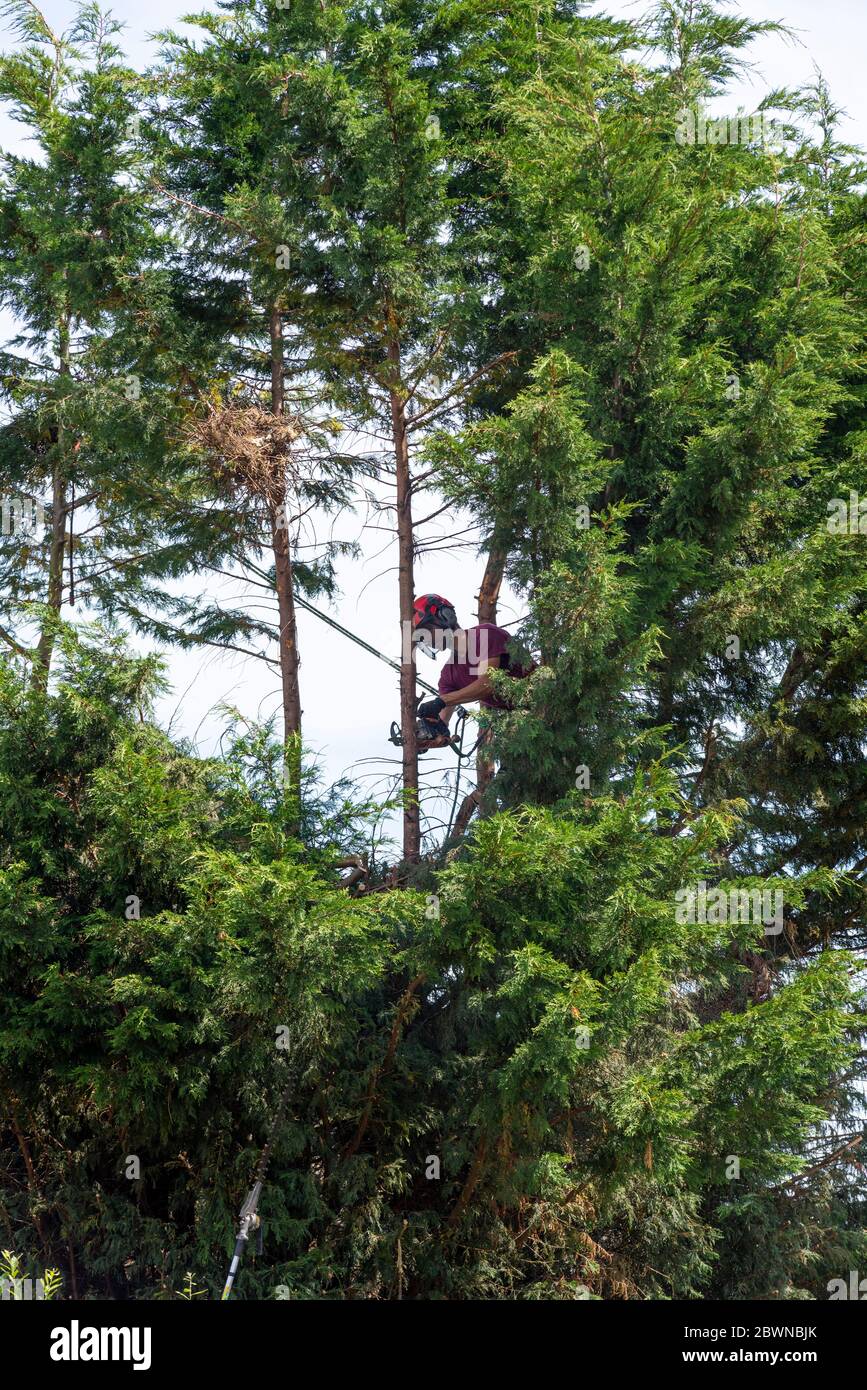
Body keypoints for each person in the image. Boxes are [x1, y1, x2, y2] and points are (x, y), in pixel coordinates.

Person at [409, 593, 533, 747]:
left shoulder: (485, 635)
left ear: (444, 617)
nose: (426, 639)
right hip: (525, 727)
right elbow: (442, 720)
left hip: (549, 702)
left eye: (426, 630)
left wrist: (441, 701)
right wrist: (427, 733)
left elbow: (487, 683)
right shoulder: (449, 675)